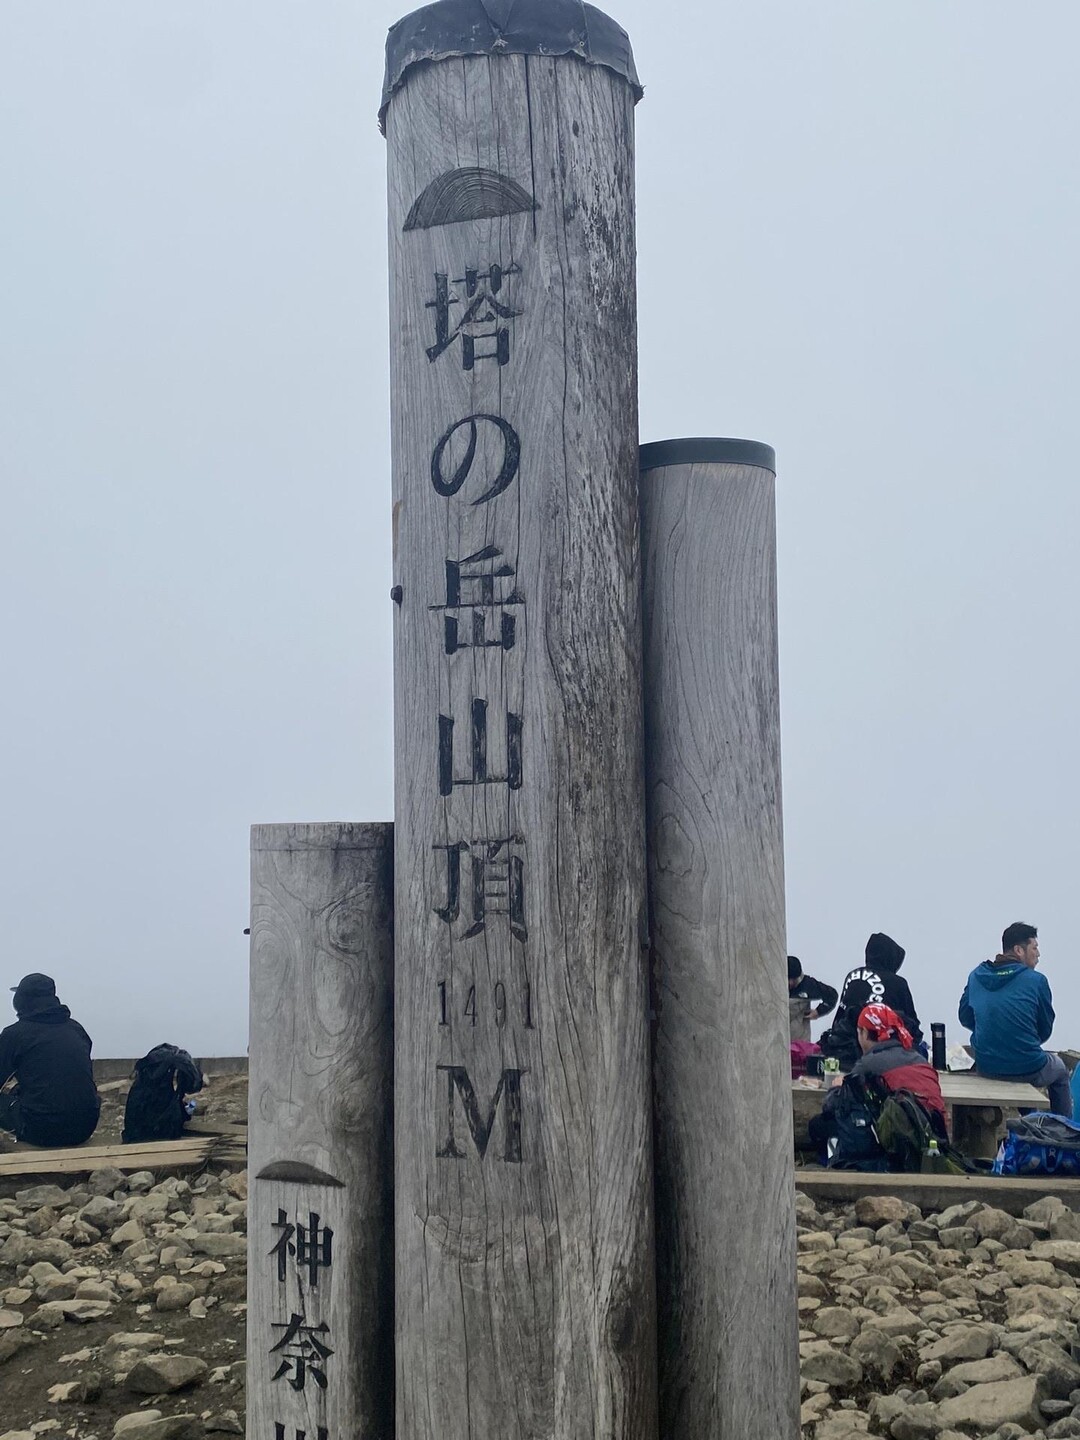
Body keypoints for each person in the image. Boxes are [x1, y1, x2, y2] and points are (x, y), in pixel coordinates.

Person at [958, 922, 1072, 1118]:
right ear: (1019, 950)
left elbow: (965, 1017)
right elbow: (1045, 1029)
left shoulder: (976, 976)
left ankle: (1028, 1121)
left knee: (1025, 1063)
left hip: (987, 1066)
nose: (1038, 954)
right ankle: (1064, 1129)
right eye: (1034, 948)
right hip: (1027, 1066)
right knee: (1060, 1070)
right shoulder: (1037, 980)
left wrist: (993, 1029)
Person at [809, 1002, 946, 1166]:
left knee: (820, 1125)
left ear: (864, 1033)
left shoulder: (868, 1064)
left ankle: (831, 1165)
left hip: (901, 1144)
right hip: (937, 1138)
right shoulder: (920, 1059)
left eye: (859, 1032)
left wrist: (837, 1087)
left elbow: (832, 1105)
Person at [0, 974, 100, 1147]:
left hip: (41, 1130)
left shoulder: (14, 1034)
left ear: (22, 1000)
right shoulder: (76, 1028)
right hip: (85, 1126)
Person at [819, 932, 923, 1070]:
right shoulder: (898, 983)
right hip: (883, 1057)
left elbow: (842, 1014)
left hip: (845, 1052)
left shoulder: (853, 975)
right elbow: (911, 1024)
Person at [788, 955, 838, 1041]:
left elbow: (832, 995)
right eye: (788, 979)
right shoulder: (772, 984)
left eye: (794, 979)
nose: (791, 983)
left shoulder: (807, 985)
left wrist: (819, 1011)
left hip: (799, 1042)